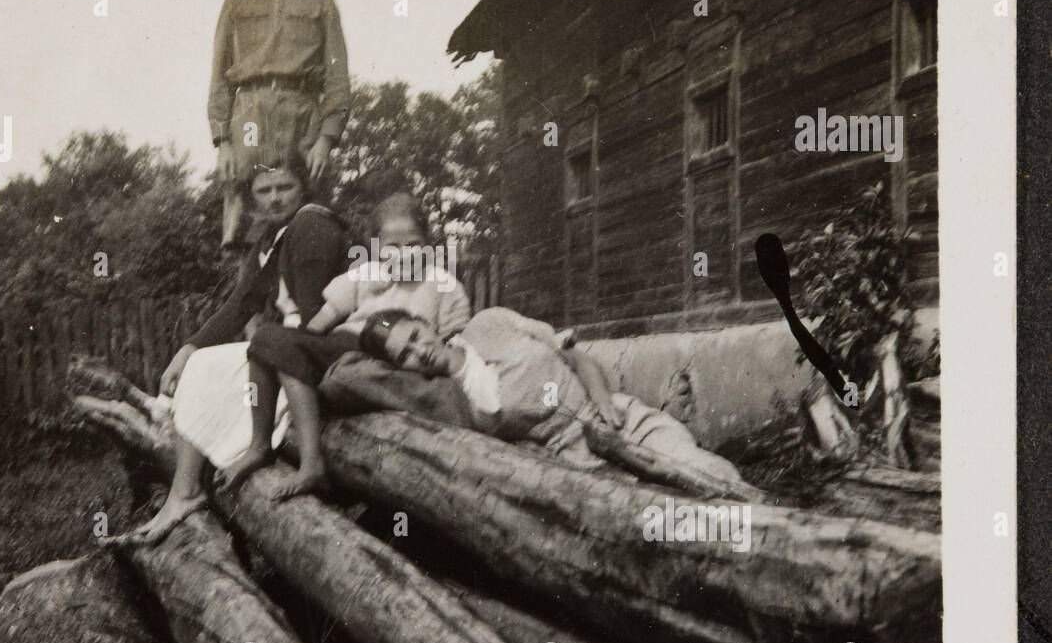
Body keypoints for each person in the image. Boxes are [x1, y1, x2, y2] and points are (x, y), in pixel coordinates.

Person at [112, 152, 350, 545]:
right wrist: (186, 349)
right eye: (264, 190)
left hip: (318, 344)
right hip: (290, 339)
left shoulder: (312, 225)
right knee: (202, 363)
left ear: (304, 187)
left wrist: (269, 345)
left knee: (215, 368)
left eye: (285, 187)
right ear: (252, 198)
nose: (275, 198)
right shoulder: (272, 238)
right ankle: (185, 491)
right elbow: (241, 303)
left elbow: (315, 315)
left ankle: (187, 492)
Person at [217, 193, 472, 500]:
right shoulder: (366, 275)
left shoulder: (442, 284)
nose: (404, 255)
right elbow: (324, 320)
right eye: (392, 247)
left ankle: (311, 464)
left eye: (414, 245)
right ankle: (259, 445)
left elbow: (453, 343)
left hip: (387, 357)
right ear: (375, 248)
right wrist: (299, 345)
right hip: (344, 344)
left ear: (429, 244)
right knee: (267, 339)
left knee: (274, 341)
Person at [352, 304, 746, 482]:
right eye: (406, 355)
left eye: (416, 337)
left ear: (426, 324)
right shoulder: (447, 401)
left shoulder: (490, 324)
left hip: (619, 419)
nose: (420, 351)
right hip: (577, 462)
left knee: (706, 472)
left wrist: (604, 400)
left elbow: (574, 355)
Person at [210, 0, 350, 250]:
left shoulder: (321, 3)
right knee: (247, 221)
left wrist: (326, 139)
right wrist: (223, 142)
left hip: (302, 115)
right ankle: (250, 298)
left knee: (309, 218)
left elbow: (337, 79)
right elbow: (219, 78)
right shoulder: (235, 5)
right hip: (249, 116)